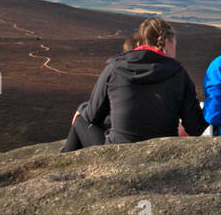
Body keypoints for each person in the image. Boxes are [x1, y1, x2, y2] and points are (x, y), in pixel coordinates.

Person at [62, 18, 207, 152]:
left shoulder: (115, 67)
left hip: (117, 151)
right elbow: (195, 127)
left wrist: (82, 108)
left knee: (80, 122)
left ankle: (63, 172)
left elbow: (92, 116)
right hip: (163, 151)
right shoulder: (179, 73)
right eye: (175, 45)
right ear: (166, 42)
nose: (175, 51)